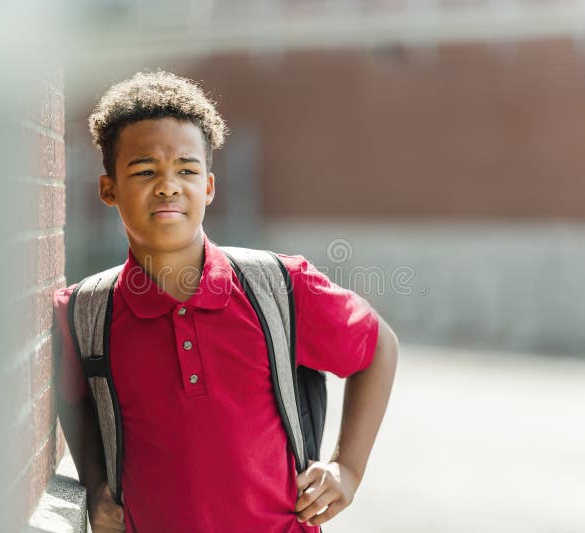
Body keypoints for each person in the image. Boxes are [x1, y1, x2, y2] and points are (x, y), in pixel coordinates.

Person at [52, 71, 398, 533]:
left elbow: (377, 347)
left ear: (210, 188)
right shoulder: (83, 313)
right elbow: (72, 401)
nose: (169, 186)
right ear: (108, 189)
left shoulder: (278, 286)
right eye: (145, 170)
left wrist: (348, 468)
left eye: (187, 170)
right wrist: (95, 486)